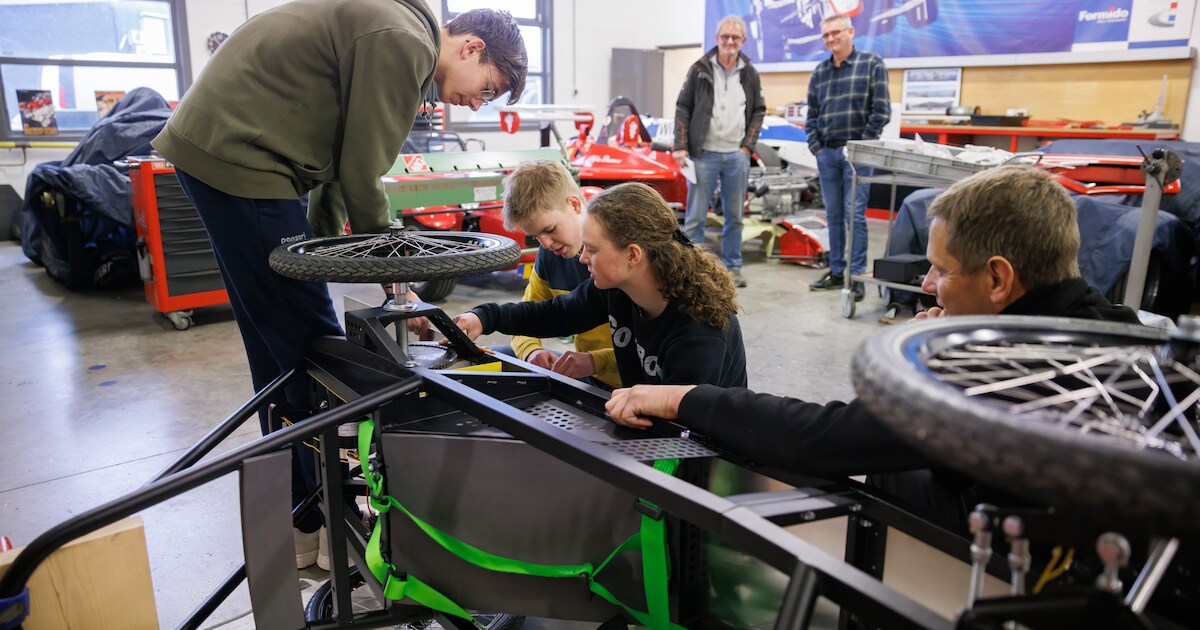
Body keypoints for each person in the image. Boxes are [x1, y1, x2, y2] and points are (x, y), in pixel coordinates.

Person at [152, 0, 528, 570]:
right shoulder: (405, 41)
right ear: (472, 48)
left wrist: (324, 252)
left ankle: (302, 518)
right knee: (315, 352)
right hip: (242, 156)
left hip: (228, 150)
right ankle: (332, 528)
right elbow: (361, 168)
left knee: (275, 345)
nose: (477, 101)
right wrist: (397, 269)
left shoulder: (397, 32)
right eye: (487, 87)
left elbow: (334, 167)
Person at [605, 165, 1141, 532]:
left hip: (1034, 574)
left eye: (942, 269)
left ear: (999, 279)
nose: (928, 284)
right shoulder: (1117, 328)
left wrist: (684, 399)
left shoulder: (1011, 369)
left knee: (877, 471)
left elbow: (830, 438)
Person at [450, 182, 748, 389]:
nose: (582, 258)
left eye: (592, 249)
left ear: (632, 255)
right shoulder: (616, 290)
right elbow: (556, 314)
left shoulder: (698, 333)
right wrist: (485, 317)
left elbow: (680, 439)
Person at [496, 161, 621, 390]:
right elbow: (528, 313)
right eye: (535, 237)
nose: (545, 244)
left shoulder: (622, 252)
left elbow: (652, 351)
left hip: (635, 385)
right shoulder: (550, 254)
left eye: (550, 229)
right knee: (496, 357)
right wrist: (532, 351)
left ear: (574, 204)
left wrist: (595, 361)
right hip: (590, 377)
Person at [673, 15, 766, 289]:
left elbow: (759, 110)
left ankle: (733, 267)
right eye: (725, 37)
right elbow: (682, 107)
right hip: (703, 154)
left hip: (736, 156)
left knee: (735, 216)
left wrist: (747, 147)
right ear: (717, 39)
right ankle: (693, 269)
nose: (729, 42)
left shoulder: (749, 72)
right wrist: (680, 146)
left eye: (735, 38)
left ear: (743, 41)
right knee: (695, 217)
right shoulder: (700, 69)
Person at [805, 14, 890, 302]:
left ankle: (855, 276)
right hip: (827, 152)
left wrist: (861, 145)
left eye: (836, 33)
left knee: (855, 215)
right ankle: (837, 271)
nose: (831, 39)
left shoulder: (871, 64)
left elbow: (881, 111)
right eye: (826, 35)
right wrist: (816, 146)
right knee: (833, 217)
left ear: (851, 31)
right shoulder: (820, 72)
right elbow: (812, 115)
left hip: (857, 154)